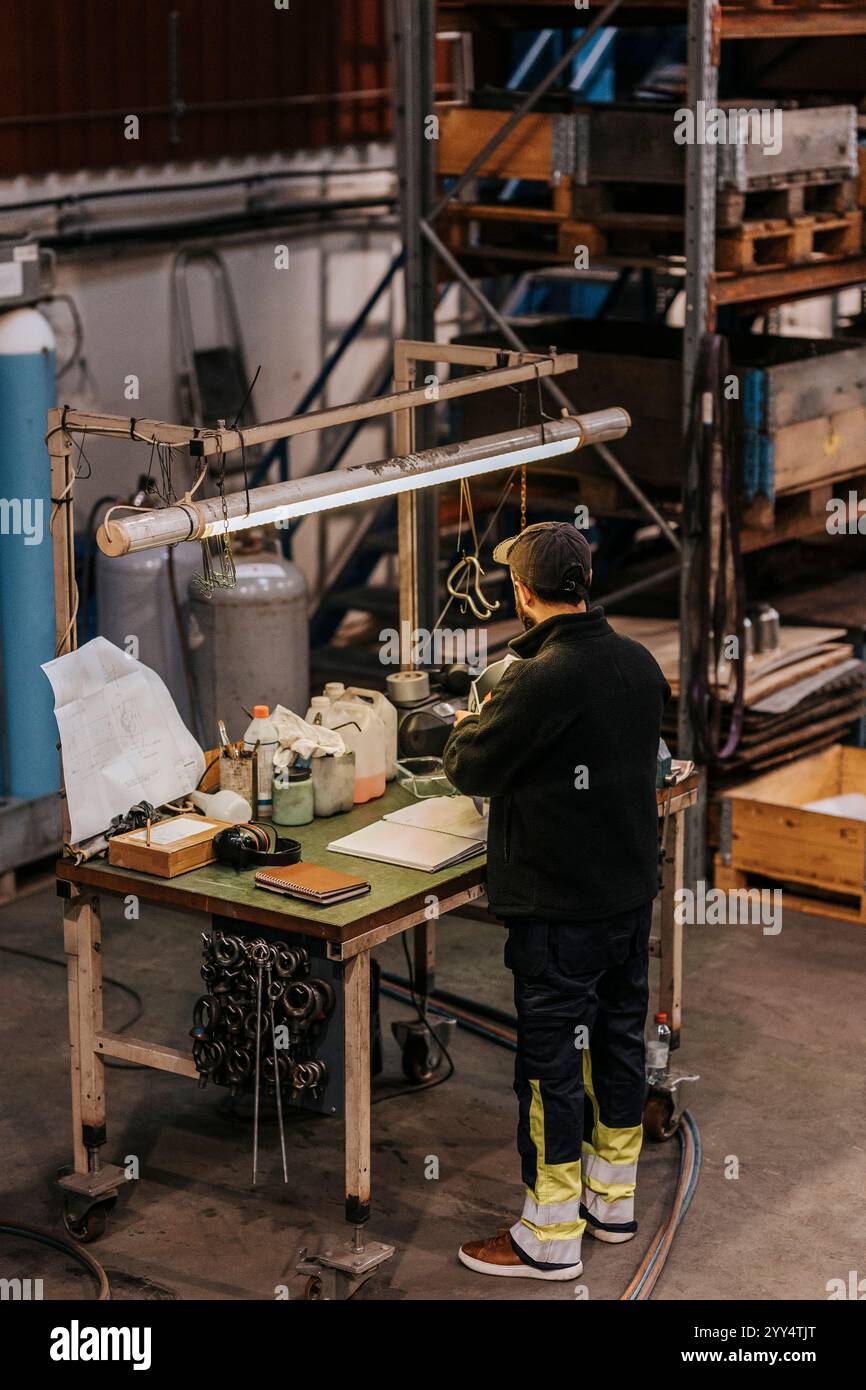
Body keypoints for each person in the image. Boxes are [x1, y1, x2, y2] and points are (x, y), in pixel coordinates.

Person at [443, 520, 671, 1282]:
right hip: (628, 900)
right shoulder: (640, 664)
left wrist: (474, 712)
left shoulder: (540, 678)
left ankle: (548, 1236)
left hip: (561, 912)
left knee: (549, 1067)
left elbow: (469, 767)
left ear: (522, 593)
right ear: (588, 583)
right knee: (617, 1044)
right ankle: (611, 1203)